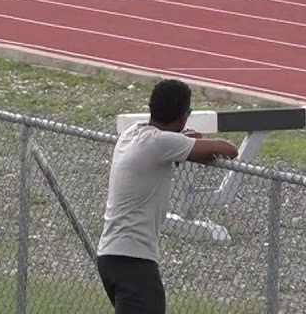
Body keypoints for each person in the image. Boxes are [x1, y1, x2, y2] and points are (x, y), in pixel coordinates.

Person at [96, 78, 239, 314]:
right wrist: (190, 140)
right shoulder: (161, 143)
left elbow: (180, 148)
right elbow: (228, 149)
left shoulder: (132, 133)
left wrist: (186, 142)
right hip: (134, 261)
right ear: (183, 117)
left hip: (111, 257)